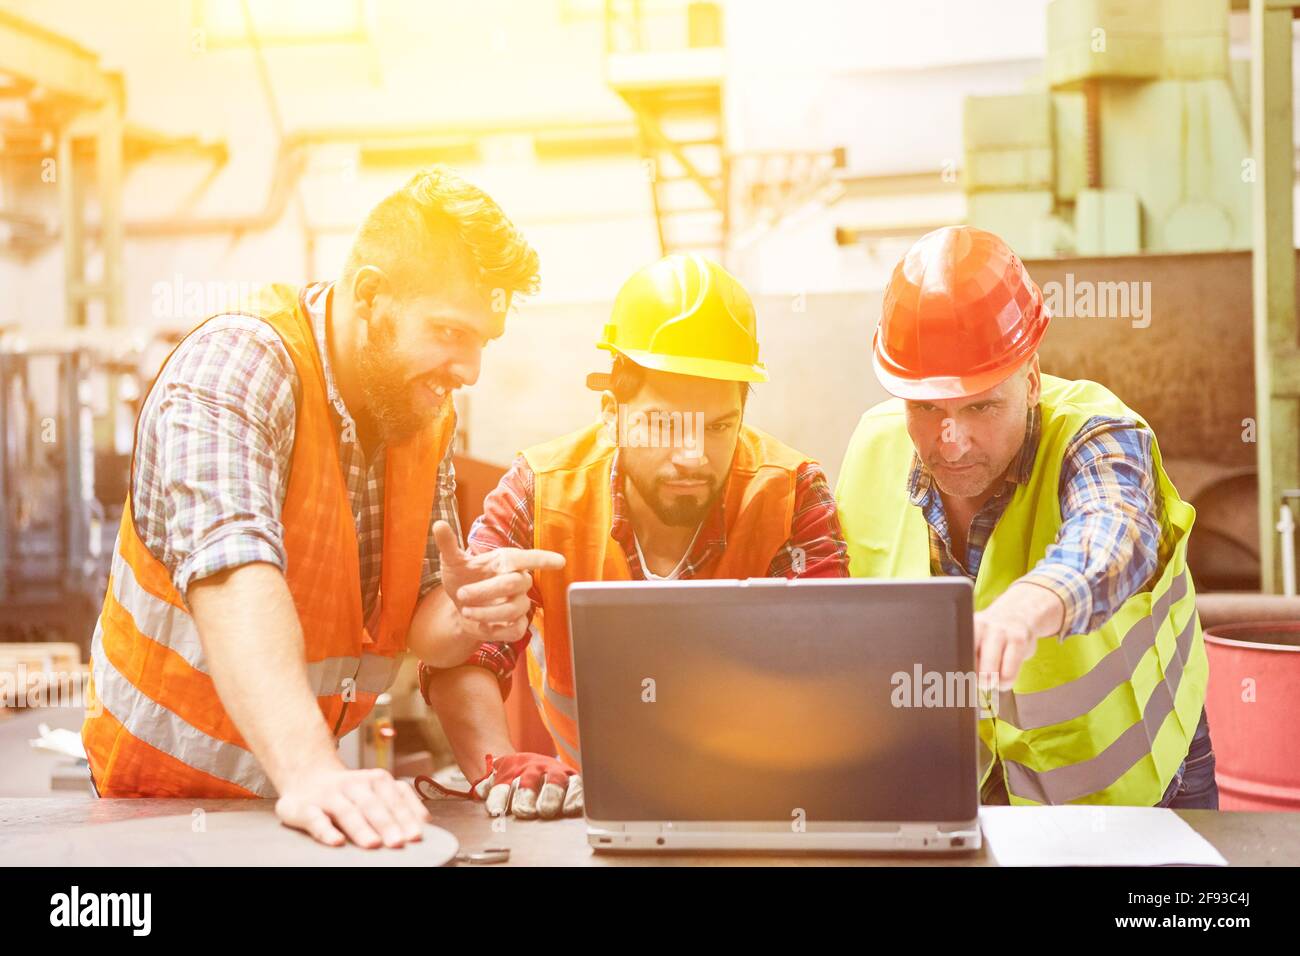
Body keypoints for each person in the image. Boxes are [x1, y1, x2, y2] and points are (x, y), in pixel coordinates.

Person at [82, 166, 563, 848]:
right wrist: (311, 768)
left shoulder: (420, 416)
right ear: (370, 296)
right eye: (451, 332)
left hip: (303, 808)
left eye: (483, 342)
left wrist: (464, 612)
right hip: (160, 812)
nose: (471, 369)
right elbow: (230, 569)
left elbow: (422, 619)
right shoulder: (238, 367)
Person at [418, 253, 850, 819]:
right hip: (592, 814)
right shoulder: (542, 491)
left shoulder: (792, 495)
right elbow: (469, 650)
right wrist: (500, 767)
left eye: (719, 426)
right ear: (612, 413)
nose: (692, 455)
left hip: (758, 808)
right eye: (665, 423)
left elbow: (829, 679)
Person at [835, 225, 1217, 808]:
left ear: (1032, 379)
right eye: (925, 407)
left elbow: (1115, 533)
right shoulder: (872, 447)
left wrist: (1030, 602)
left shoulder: (1096, 433)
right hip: (978, 786)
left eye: (982, 405)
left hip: (1145, 789)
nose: (953, 440)